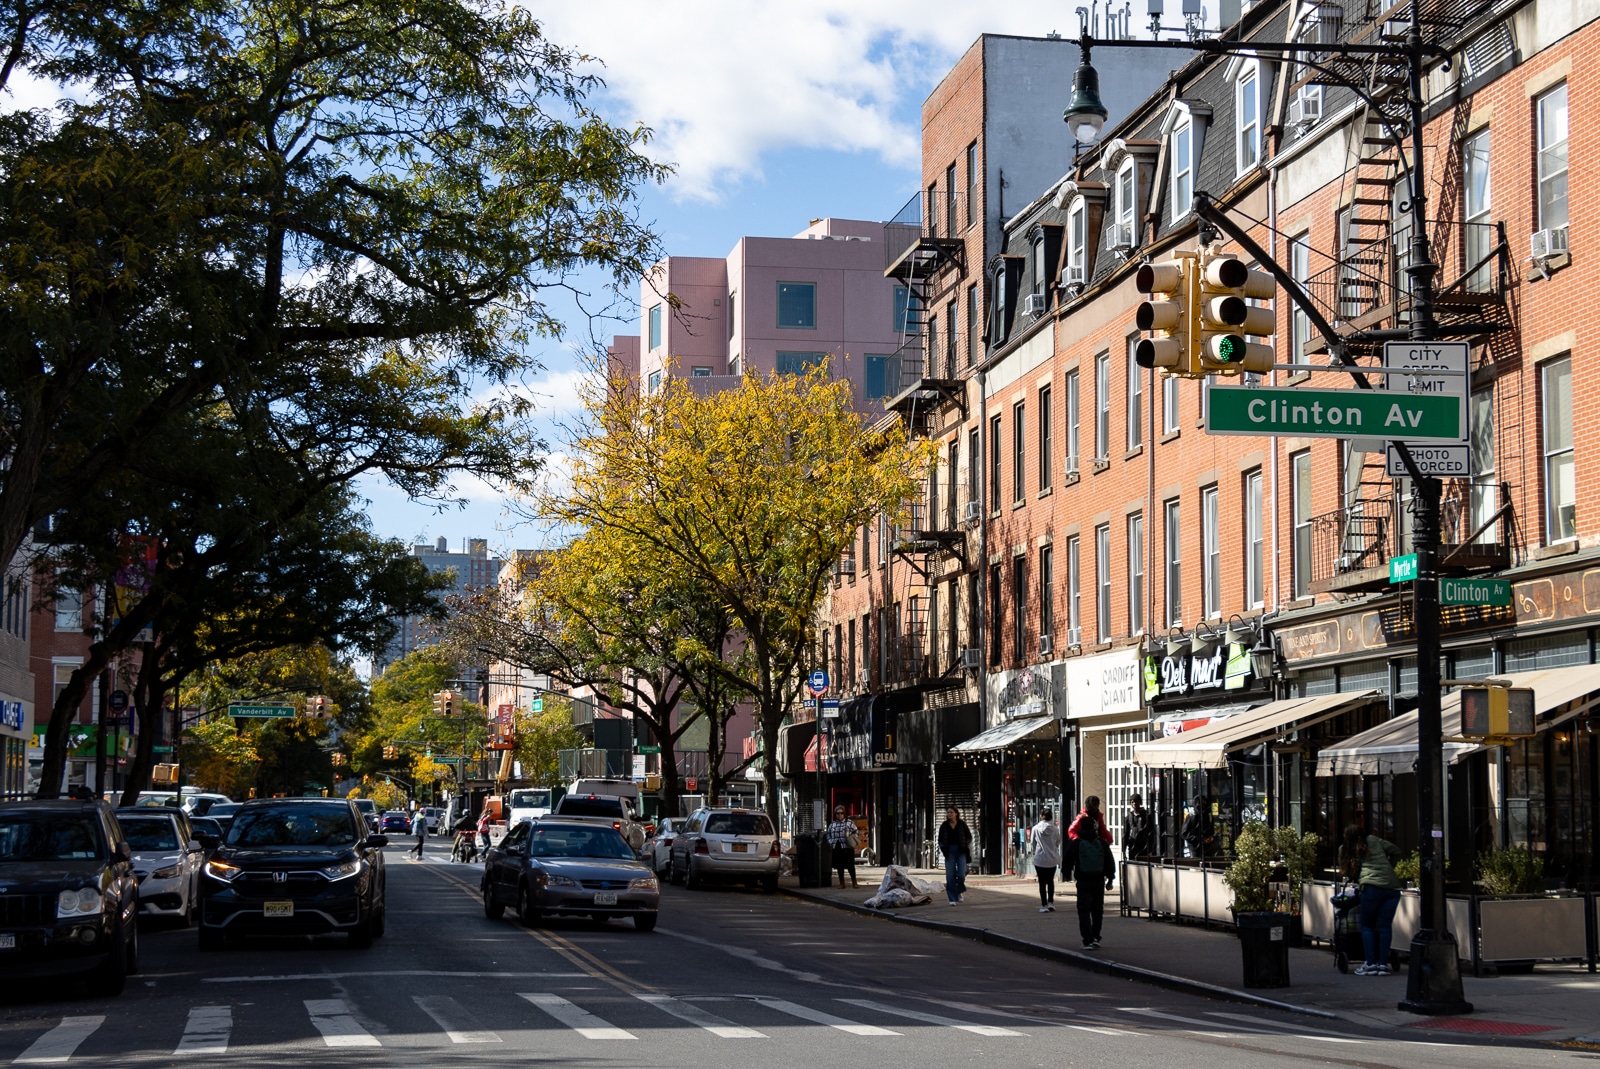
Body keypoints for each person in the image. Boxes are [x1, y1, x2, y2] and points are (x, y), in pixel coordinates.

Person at [1341, 824, 1404, 976]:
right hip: (1392, 888)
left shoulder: (1346, 849)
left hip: (1371, 889)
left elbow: (1348, 870)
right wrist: (1389, 867)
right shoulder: (1374, 840)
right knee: (1384, 927)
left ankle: (1370, 964)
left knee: (1367, 926)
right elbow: (1396, 851)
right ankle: (1383, 965)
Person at [1063, 796, 1114, 949]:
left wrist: (1067, 873)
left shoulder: (1078, 843)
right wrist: (1110, 878)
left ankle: (1087, 939)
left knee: (1084, 909)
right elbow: (1109, 861)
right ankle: (1096, 936)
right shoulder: (1101, 842)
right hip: (1098, 879)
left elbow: (1067, 859)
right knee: (1097, 909)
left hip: (1084, 878)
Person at [937, 806, 973, 905]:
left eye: (951, 812)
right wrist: (943, 849)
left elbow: (969, 836)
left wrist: (965, 844)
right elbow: (940, 839)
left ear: (956, 813)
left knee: (962, 873)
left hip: (961, 851)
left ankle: (958, 889)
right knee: (950, 875)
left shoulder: (962, 824)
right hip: (949, 852)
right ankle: (952, 898)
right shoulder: (944, 825)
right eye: (948, 812)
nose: (949, 814)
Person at [1029, 807, 1062, 912]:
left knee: (1042, 882)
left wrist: (1037, 850)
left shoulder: (1035, 828)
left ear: (1041, 816)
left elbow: (1032, 843)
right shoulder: (1055, 829)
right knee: (1050, 881)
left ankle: (1044, 905)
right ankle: (1051, 902)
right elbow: (1058, 842)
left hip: (1040, 859)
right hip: (1052, 858)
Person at [824, 806, 860, 889]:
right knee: (839, 866)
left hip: (847, 847)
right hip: (837, 847)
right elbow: (828, 834)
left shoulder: (849, 823)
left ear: (844, 814)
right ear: (835, 814)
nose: (840, 815)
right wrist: (830, 841)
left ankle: (854, 882)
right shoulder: (832, 824)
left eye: (841, 813)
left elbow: (856, 831)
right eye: (837, 813)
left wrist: (852, 838)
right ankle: (842, 883)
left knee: (850, 865)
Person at [1122, 793, 1156, 860]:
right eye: (1132, 802)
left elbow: (1152, 833)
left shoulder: (1147, 816)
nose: (1134, 804)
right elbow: (1125, 833)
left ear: (1140, 802)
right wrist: (1123, 849)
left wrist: (1151, 848)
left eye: (1136, 801)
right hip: (1132, 847)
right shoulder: (1129, 817)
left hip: (1144, 847)